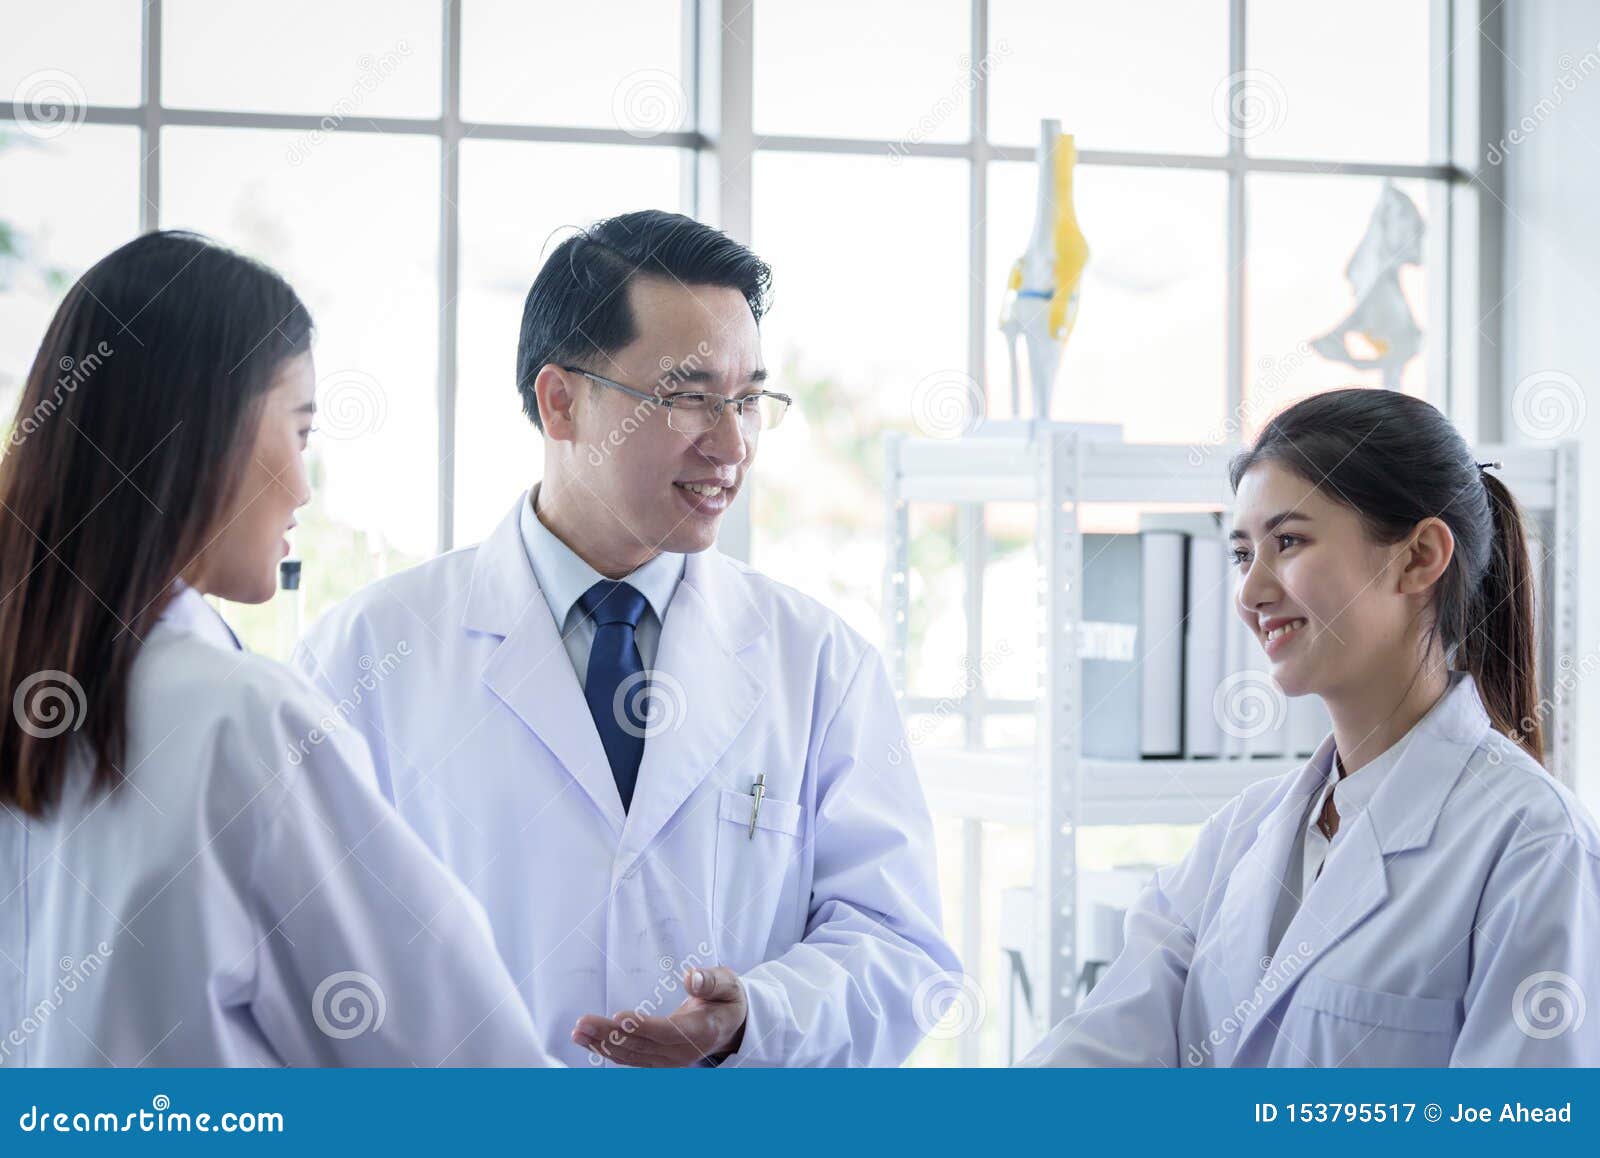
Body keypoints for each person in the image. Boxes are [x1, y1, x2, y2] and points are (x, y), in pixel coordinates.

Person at [293, 210, 958, 1067]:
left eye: (749, 399)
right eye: (689, 397)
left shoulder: (818, 663)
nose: (732, 444)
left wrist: (754, 1018)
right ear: (561, 401)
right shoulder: (368, 654)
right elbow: (298, 946)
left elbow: (900, 946)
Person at [0, 232, 554, 1067]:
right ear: (197, 432)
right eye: (298, 432)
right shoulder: (239, 721)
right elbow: (465, 1066)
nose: (302, 486)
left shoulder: (41, 696)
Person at [1027, 387, 1600, 1067]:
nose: (1250, 592)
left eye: (1288, 541)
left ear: (1419, 557)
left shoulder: (1534, 847)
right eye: (1243, 554)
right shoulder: (1237, 838)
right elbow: (1087, 1068)